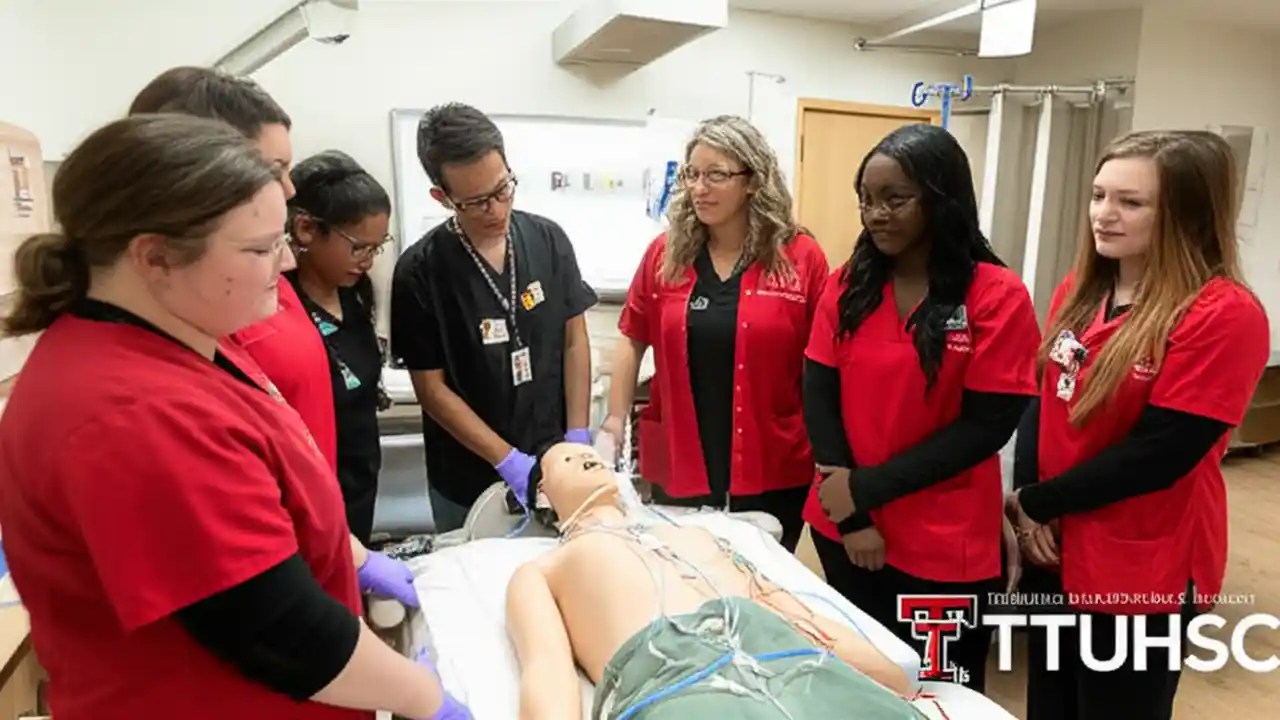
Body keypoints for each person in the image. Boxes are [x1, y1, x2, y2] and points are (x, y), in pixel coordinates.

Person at [0, 115, 469, 720]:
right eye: (259, 248)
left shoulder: (189, 339)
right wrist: (426, 700)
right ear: (154, 256)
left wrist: (349, 557)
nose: (285, 265)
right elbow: (283, 634)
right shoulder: (134, 413)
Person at [128, 66, 417, 604]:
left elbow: (288, 437)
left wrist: (346, 552)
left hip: (319, 533)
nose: (288, 191)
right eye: (273, 169)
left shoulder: (251, 296)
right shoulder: (152, 373)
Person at [1008, 130, 1271, 720]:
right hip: (1054, 542)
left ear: (1186, 214)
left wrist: (1041, 500)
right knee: (1050, 704)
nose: (1104, 214)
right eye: (1100, 195)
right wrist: (1029, 512)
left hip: (1141, 562)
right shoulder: (1081, 290)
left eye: (1131, 202)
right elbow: (1042, 399)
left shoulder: (1222, 313)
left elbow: (1164, 450)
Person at [801, 123, 1040, 692]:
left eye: (895, 199)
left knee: (939, 691)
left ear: (941, 198)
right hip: (843, 528)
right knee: (860, 684)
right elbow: (818, 392)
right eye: (866, 200)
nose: (876, 214)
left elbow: (986, 428)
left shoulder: (995, 295)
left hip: (943, 540)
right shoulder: (849, 285)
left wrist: (866, 490)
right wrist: (852, 514)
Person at [506, 442, 924, 720]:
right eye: (567, 458)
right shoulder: (545, 570)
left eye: (589, 451)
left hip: (789, 663)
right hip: (682, 686)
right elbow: (547, 670)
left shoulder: (700, 536)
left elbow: (796, 615)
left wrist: (887, 680)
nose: (586, 455)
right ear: (543, 492)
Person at [602, 115, 829, 553]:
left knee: (762, 586)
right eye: (693, 174)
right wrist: (614, 422)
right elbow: (632, 335)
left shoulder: (800, 257)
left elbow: (826, 359)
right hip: (681, 460)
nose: (699, 187)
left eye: (717, 175)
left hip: (774, 460)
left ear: (752, 181)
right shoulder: (665, 254)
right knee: (691, 580)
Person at [390, 102, 597, 532]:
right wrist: (506, 459)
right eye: (477, 202)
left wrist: (577, 435)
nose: (497, 211)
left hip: (554, 462)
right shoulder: (419, 272)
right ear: (442, 198)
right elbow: (432, 390)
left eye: (503, 189)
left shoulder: (548, 240)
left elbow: (574, 341)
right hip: (467, 478)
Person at [286, 150, 393, 546]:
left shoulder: (353, 298)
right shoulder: (283, 309)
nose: (367, 261)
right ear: (307, 229)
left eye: (376, 248)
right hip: (312, 494)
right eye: (358, 247)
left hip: (359, 484)